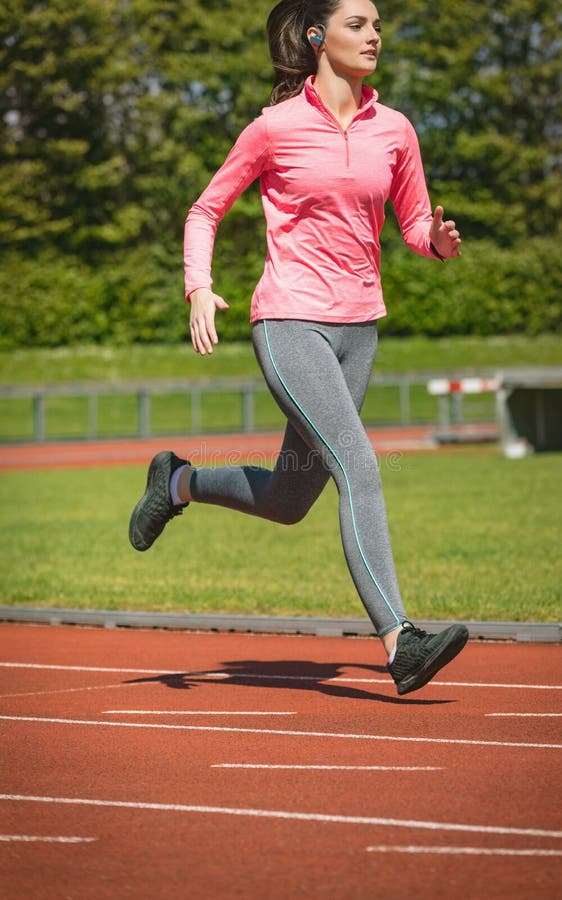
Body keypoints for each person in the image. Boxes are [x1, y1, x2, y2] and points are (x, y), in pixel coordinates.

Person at [129, 0, 468, 696]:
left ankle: (177, 481)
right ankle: (400, 640)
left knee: (289, 499)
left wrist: (434, 243)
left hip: (359, 329)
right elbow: (205, 209)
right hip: (288, 323)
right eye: (357, 24)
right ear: (318, 36)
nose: (374, 34)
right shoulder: (275, 128)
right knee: (361, 467)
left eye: (377, 24)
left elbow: (410, 224)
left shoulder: (396, 129)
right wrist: (199, 287)